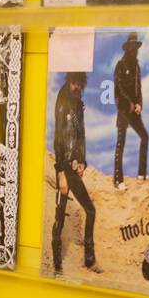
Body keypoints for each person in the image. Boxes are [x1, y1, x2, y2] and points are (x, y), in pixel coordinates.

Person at [51, 72, 100, 275]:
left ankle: (89, 259)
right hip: (64, 168)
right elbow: (59, 137)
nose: (76, 87)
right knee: (60, 214)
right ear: (69, 81)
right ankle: (57, 264)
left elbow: (81, 137)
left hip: (73, 168)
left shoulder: (78, 104)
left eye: (80, 83)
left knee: (90, 210)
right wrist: (61, 171)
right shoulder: (62, 100)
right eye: (74, 83)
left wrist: (82, 162)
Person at [113, 33, 148, 191]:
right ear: (128, 48)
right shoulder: (120, 65)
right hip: (124, 109)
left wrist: (139, 103)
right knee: (121, 143)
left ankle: (141, 173)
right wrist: (130, 103)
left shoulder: (136, 66)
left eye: (136, 47)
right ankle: (118, 179)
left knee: (144, 137)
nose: (135, 50)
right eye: (132, 47)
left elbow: (138, 87)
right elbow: (118, 88)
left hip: (135, 110)